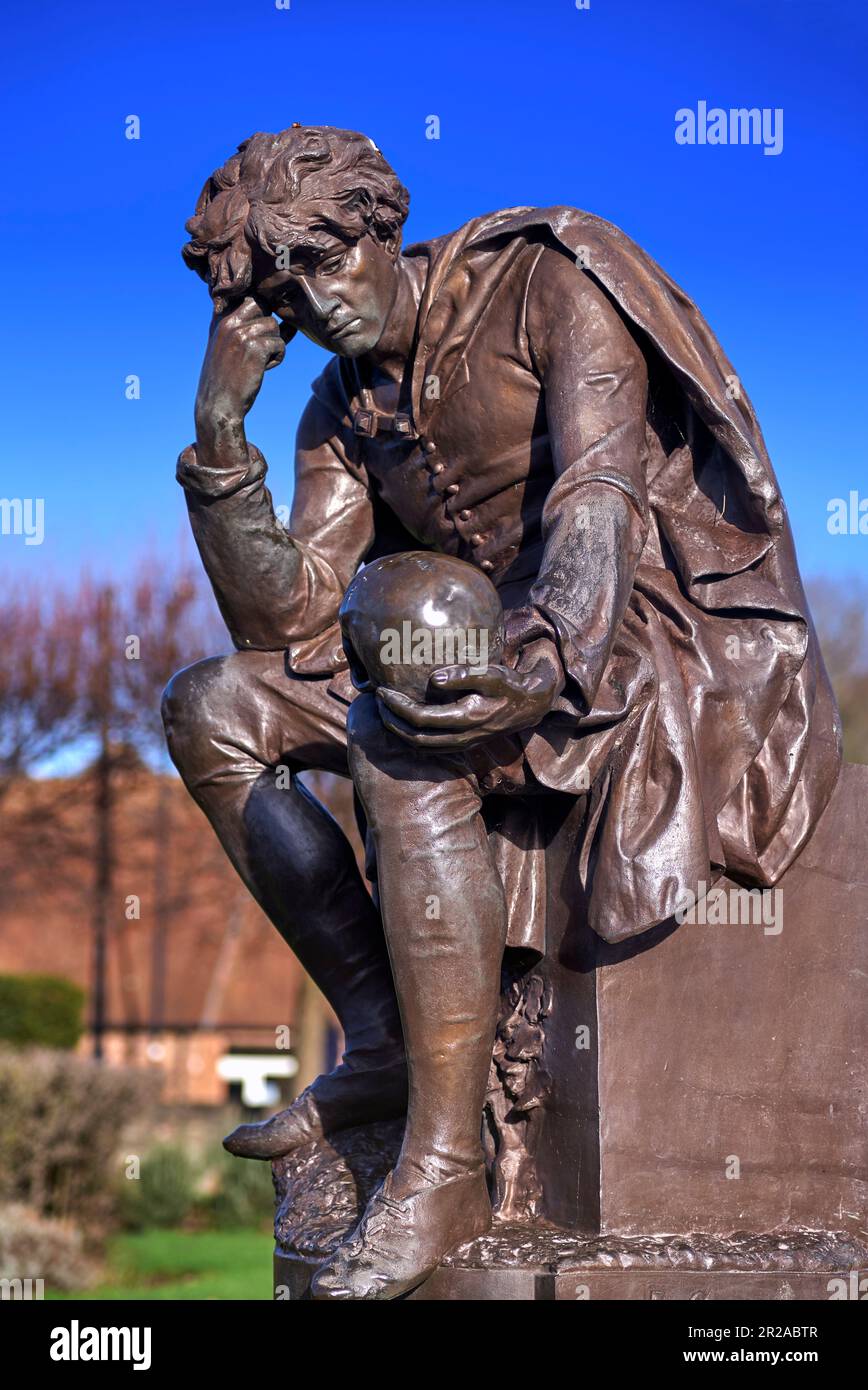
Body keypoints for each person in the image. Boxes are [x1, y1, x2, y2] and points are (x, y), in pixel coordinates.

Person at [162, 125, 841, 1299]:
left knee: (404, 722)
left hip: (636, 632)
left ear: (381, 228)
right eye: (282, 294)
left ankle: (443, 1165)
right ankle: (383, 1041)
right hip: (465, 653)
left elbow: (597, 497)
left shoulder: (546, 279)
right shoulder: (336, 405)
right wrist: (221, 442)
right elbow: (288, 622)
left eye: (325, 262)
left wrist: (544, 659)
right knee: (211, 703)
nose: (316, 304)